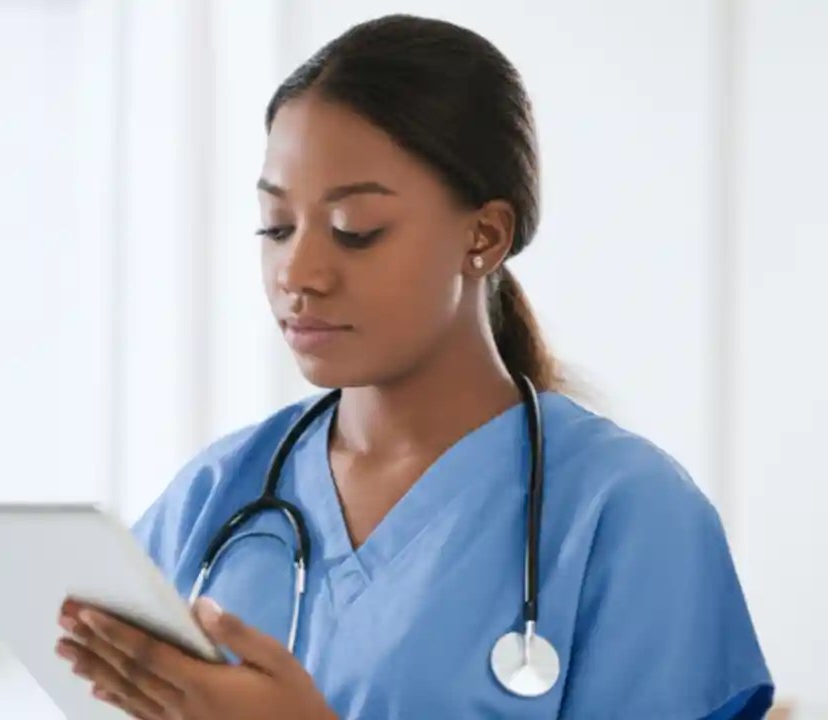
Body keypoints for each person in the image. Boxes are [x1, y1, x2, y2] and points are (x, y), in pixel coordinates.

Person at [54, 13, 773, 719]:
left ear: (484, 236)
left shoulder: (628, 513)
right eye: (276, 227)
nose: (296, 272)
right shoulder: (214, 496)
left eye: (354, 231)